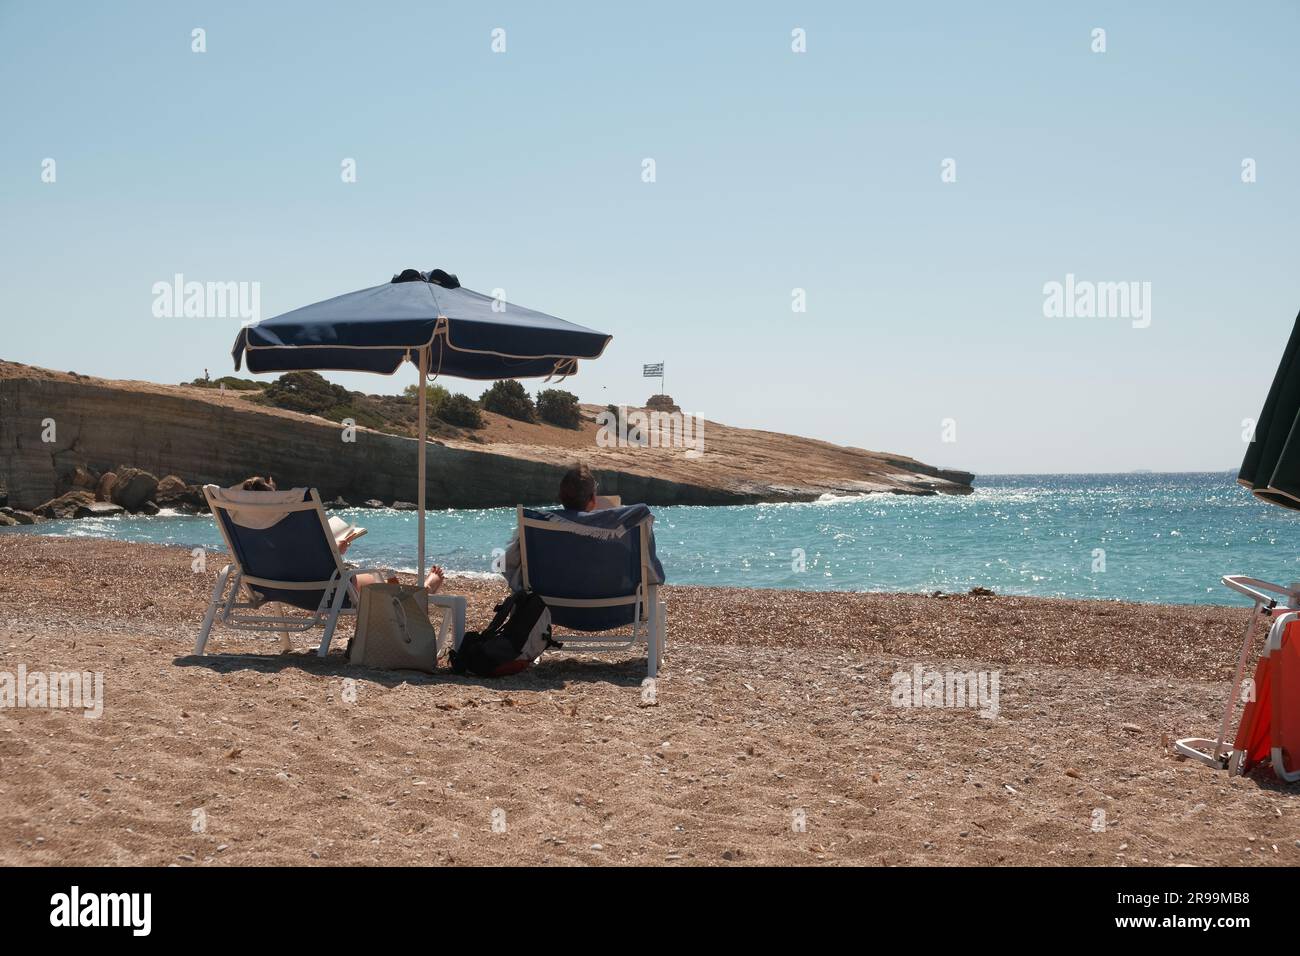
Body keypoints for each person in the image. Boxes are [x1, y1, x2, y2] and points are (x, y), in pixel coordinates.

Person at [237, 476, 443, 593]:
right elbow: (307, 565)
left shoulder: (246, 530)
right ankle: (425, 590)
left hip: (267, 587)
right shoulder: (287, 524)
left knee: (375, 581)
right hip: (319, 591)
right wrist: (335, 549)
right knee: (383, 585)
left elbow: (290, 560)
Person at [499, 463, 601, 592]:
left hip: (547, 607)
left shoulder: (535, 529)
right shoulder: (607, 533)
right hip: (597, 609)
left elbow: (505, 564)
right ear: (593, 500)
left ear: (561, 497)